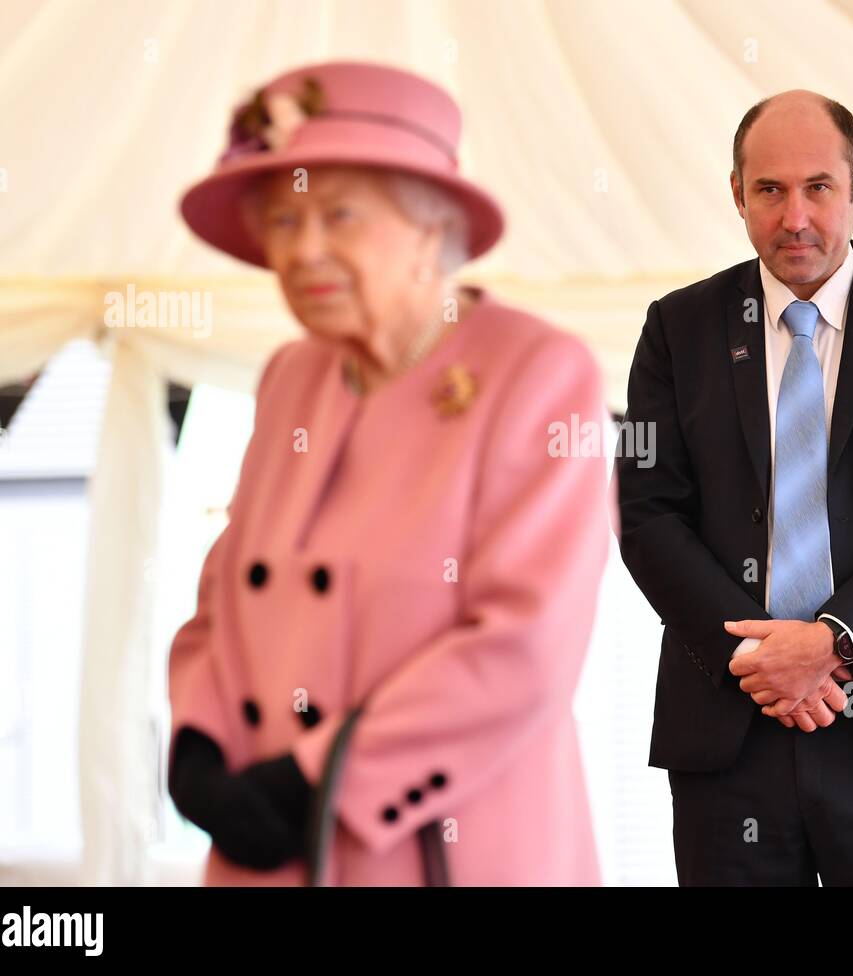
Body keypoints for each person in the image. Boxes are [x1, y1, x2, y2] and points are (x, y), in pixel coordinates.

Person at [168, 61, 610, 885]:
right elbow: (227, 587)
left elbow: (522, 647)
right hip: (268, 847)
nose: (303, 251)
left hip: (437, 847)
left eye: (339, 214)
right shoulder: (291, 377)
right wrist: (197, 737)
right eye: (282, 220)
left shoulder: (539, 374)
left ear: (429, 226)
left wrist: (317, 777)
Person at [614, 90, 853, 885]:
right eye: (769, 190)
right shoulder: (675, 329)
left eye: (818, 188)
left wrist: (828, 641)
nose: (795, 217)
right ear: (737, 195)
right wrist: (761, 656)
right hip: (731, 722)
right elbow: (648, 514)